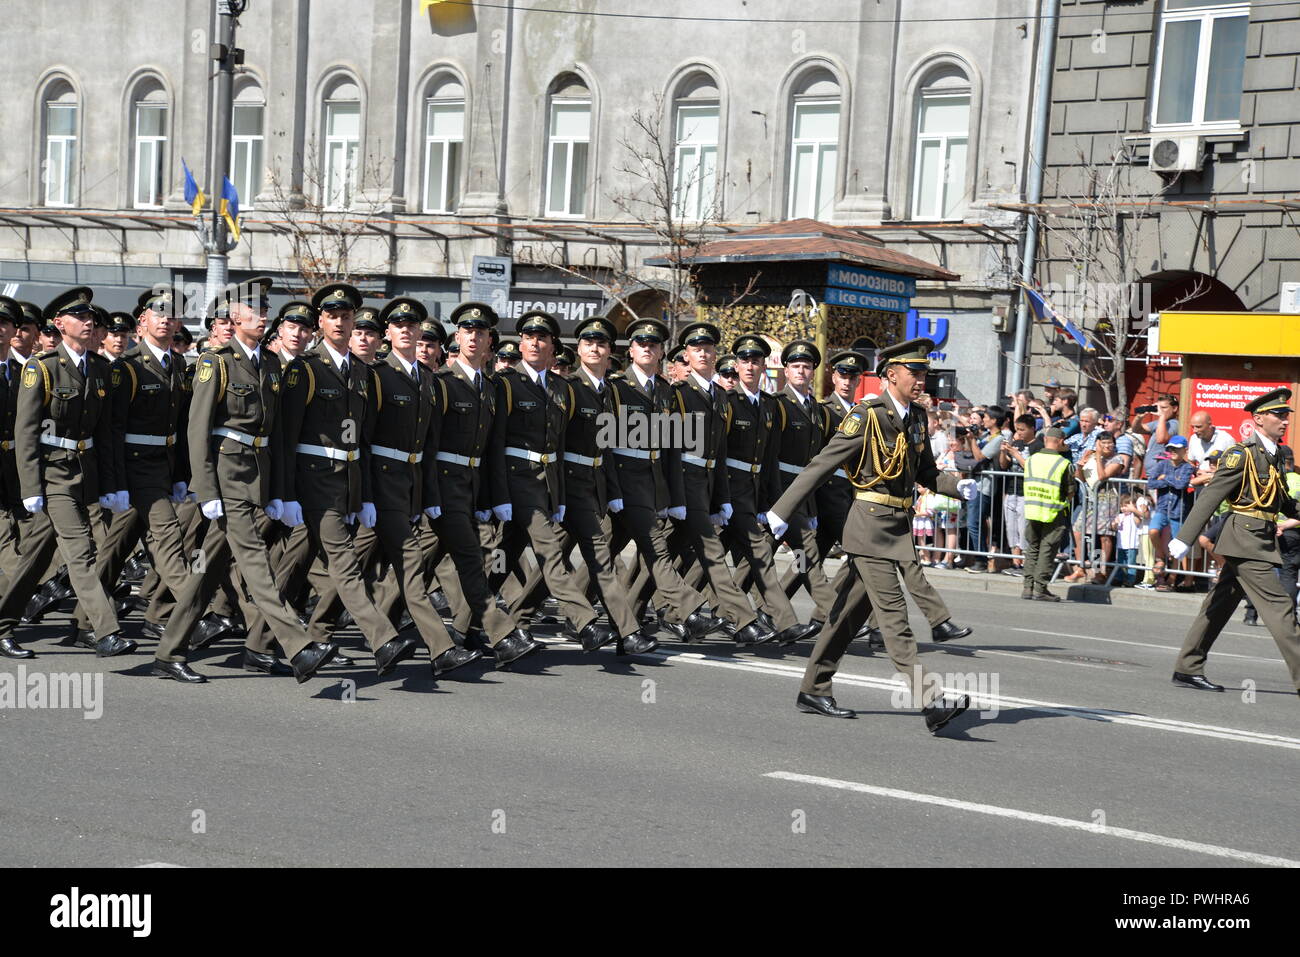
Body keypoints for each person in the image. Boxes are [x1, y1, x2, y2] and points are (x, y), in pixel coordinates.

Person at [767, 337, 978, 734]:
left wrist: (955, 486)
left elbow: (925, 473)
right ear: (891, 374)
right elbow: (821, 464)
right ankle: (931, 702)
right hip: (869, 529)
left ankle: (813, 688)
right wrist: (782, 511)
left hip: (897, 527)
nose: (921, 380)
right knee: (894, 618)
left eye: (924, 374)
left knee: (844, 617)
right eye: (914, 373)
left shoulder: (915, 417)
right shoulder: (867, 415)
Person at [0, 288, 132, 659]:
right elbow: (25, 431)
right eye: (80, 317)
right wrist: (30, 485)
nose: (90, 323)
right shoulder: (40, 368)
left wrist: (111, 484)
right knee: (80, 552)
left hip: (84, 473)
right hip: (53, 473)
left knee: (35, 558)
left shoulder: (100, 368)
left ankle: (3, 624)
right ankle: (106, 631)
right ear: (59, 324)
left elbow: (105, 434)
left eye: (92, 318)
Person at [1167, 388, 1300, 694]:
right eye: (1278, 415)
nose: (1284, 421)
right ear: (1258, 418)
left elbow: (1281, 500)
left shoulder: (1275, 452)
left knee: (1219, 604)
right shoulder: (1242, 453)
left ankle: (1187, 668)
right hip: (1246, 540)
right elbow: (1212, 495)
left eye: (1285, 416)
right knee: (1280, 608)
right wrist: (1184, 538)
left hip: (1258, 538)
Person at [720, 334, 819, 647]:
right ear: (737, 365)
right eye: (745, 360)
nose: (750, 366)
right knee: (706, 559)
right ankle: (692, 608)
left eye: (756, 360)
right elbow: (717, 454)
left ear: (765, 366)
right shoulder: (727, 402)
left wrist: (770, 504)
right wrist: (716, 499)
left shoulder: (767, 405)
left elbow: (769, 460)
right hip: (727, 492)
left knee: (752, 558)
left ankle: (766, 618)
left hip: (753, 492)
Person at [1020, 427, 1075, 601]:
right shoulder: (1063, 463)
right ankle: (1040, 588)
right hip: (1053, 512)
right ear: (1060, 442)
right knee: (1047, 550)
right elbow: (1070, 491)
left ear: (1045, 440)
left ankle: (1027, 588)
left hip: (1032, 510)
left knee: (1032, 549)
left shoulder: (1030, 460)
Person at [1146, 434, 1196, 590]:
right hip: (1162, 508)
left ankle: (1172, 579)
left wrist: (1165, 479)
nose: (1173, 451)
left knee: (1177, 547)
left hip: (1178, 510)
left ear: (1184, 451)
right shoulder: (1162, 464)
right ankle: (1160, 556)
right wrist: (1168, 479)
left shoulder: (1188, 467)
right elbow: (1151, 482)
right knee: (1153, 531)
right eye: (1170, 448)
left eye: (1176, 449)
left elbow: (1181, 485)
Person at [1135, 393, 1179, 478]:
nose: (1160, 410)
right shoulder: (1159, 423)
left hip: (1162, 475)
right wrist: (1139, 418)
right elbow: (1136, 429)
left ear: (1174, 408)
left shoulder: (1174, 424)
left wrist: (1162, 416)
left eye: (1164, 408)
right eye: (1158, 407)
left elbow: (1161, 439)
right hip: (1152, 474)